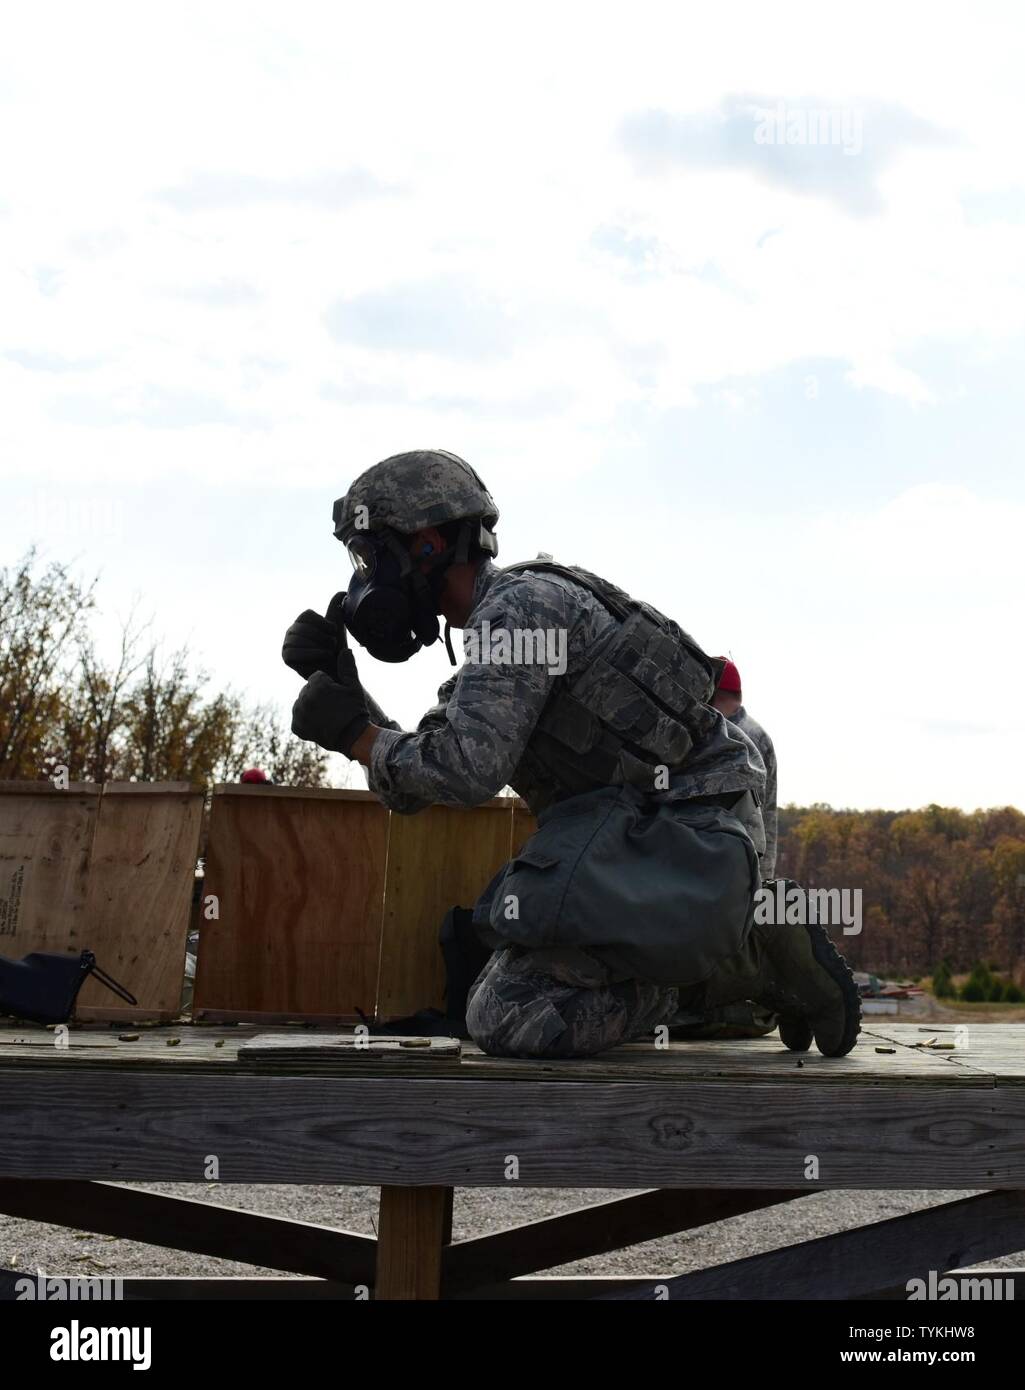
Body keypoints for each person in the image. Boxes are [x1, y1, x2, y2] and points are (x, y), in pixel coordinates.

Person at [283, 449, 859, 1059]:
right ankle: (746, 964)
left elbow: (466, 769)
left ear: (426, 546)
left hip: (684, 843)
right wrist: (349, 692)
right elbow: (420, 782)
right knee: (500, 992)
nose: (366, 581)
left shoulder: (522, 613)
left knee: (508, 1014)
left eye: (373, 557)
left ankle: (738, 962)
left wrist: (354, 732)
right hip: (647, 849)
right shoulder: (498, 637)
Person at [712, 659, 777, 880]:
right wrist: (766, 877)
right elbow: (769, 813)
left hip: (730, 864)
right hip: (751, 866)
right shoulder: (760, 734)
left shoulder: (728, 736)